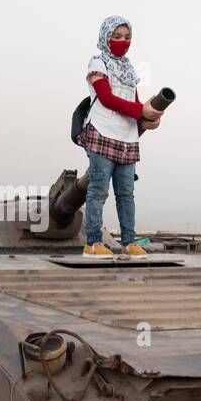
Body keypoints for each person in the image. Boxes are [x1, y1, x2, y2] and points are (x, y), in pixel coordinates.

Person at [80, 15, 163, 257]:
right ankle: (92, 243)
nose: (122, 41)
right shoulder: (98, 62)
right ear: (106, 37)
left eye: (127, 37)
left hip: (127, 138)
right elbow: (106, 99)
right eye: (116, 37)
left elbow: (134, 102)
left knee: (126, 193)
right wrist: (140, 111)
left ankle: (129, 242)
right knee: (98, 190)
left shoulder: (128, 68)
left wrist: (148, 118)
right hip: (102, 132)